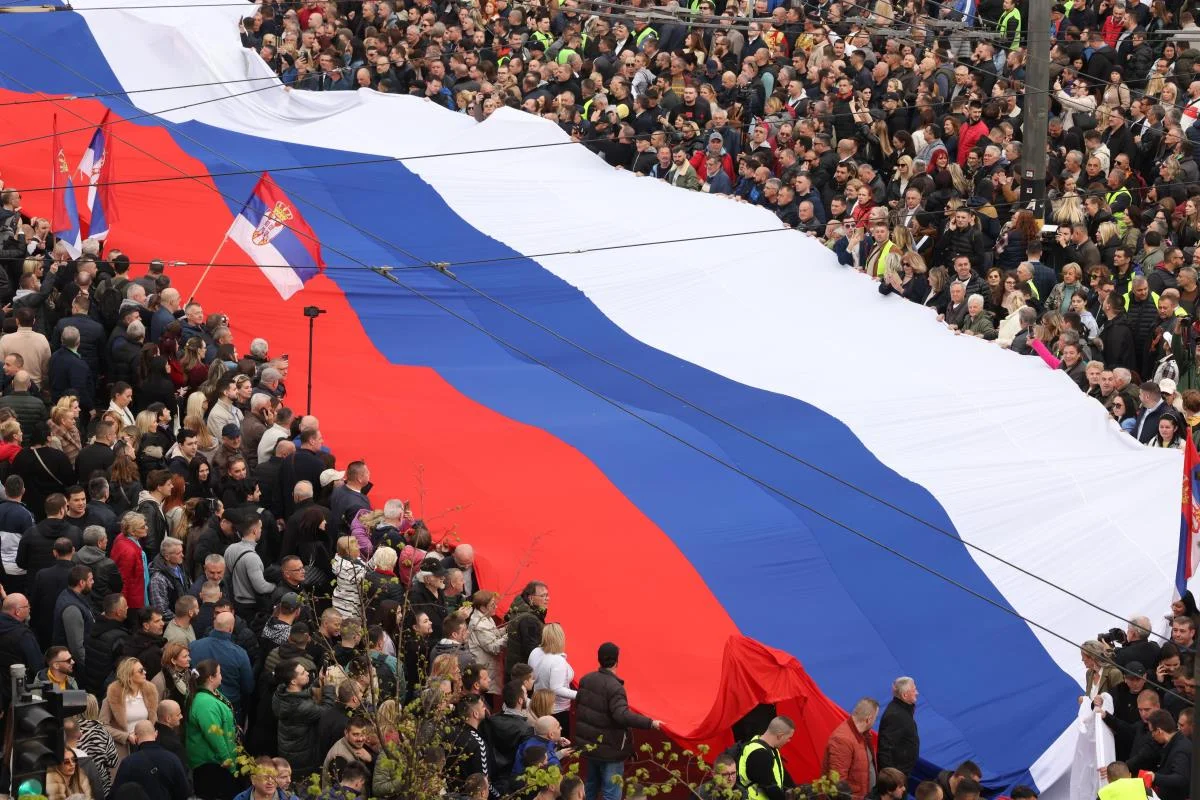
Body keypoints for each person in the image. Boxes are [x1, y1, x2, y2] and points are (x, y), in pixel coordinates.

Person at [575, 642, 662, 800]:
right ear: (616, 661)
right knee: (611, 793)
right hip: (611, 750)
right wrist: (650, 723)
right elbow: (621, 715)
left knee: (591, 786)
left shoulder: (586, 680)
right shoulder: (615, 687)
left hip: (591, 746)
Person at [187, 658, 241, 799]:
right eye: (219, 673)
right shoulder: (205, 703)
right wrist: (228, 762)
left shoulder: (212, 693)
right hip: (212, 764)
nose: (221, 676)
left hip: (217, 762)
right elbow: (215, 737)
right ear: (211, 678)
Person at [189, 610, 254, 720]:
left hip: (198, 705)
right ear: (230, 628)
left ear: (214, 624)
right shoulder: (239, 654)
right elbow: (248, 687)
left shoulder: (193, 646)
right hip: (229, 708)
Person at [111, 719, 191, 800]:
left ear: (135, 736)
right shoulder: (172, 758)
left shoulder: (128, 762)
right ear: (156, 734)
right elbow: (184, 791)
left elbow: (116, 793)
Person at [101, 656, 160, 760]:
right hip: (122, 749)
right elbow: (102, 726)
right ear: (129, 675)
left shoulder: (150, 693)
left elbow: (153, 720)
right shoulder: (113, 696)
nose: (145, 673)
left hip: (146, 747)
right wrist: (126, 736)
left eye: (144, 669)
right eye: (140, 671)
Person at [822, 698, 880, 800]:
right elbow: (838, 783)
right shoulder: (842, 739)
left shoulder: (864, 734)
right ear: (869, 719)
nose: (875, 721)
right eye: (875, 717)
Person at [738, 716, 795, 800]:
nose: (789, 740)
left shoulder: (765, 746)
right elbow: (770, 788)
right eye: (789, 737)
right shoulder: (759, 754)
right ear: (780, 736)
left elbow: (780, 779)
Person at [1145, 709, 1192, 800]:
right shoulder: (1173, 743)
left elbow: (1181, 778)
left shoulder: (1180, 749)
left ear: (1159, 731)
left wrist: (1155, 777)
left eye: (1152, 731)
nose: (1152, 735)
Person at [877, 677, 919, 777]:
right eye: (914, 690)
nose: (917, 693)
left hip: (901, 774)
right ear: (905, 695)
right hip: (896, 779)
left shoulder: (902, 710)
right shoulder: (895, 716)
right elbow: (885, 749)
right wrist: (891, 779)